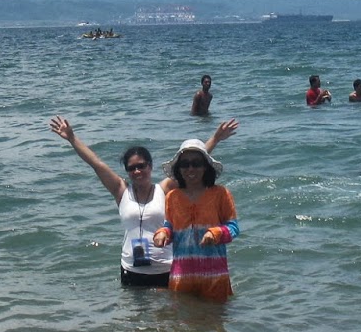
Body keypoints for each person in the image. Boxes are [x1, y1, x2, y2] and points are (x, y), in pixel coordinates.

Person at [48, 115, 237, 288]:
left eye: (141, 166)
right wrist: (72, 139)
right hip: (132, 269)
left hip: (166, 269)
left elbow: (190, 164)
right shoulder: (121, 191)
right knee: (134, 322)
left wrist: (215, 139)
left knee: (165, 322)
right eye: (132, 168)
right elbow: (97, 164)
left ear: (150, 166)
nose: (137, 171)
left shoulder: (164, 189)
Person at [152, 138, 238, 301]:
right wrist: (163, 233)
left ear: (206, 167)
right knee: (181, 324)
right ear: (179, 169)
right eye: (185, 164)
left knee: (215, 324)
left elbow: (233, 228)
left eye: (197, 163)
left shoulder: (220, 194)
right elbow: (170, 226)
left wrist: (215, 233)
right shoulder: (172, 197)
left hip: (214, 276)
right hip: (182, 276)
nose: (191, 168)